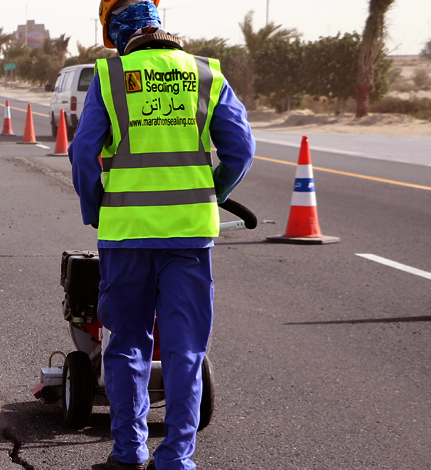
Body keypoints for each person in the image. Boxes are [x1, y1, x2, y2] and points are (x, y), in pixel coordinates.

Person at [69, 1, 254, 469]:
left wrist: (95, 209)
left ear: (116, 32)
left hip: (126, 236)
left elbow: (83, 153)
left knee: (128, 342)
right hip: (189, 238)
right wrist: (212, 191)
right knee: (185, 348)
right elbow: (241, 149)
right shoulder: (205, 74)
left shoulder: (111, 78)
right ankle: (176, 458)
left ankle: (128, 452)